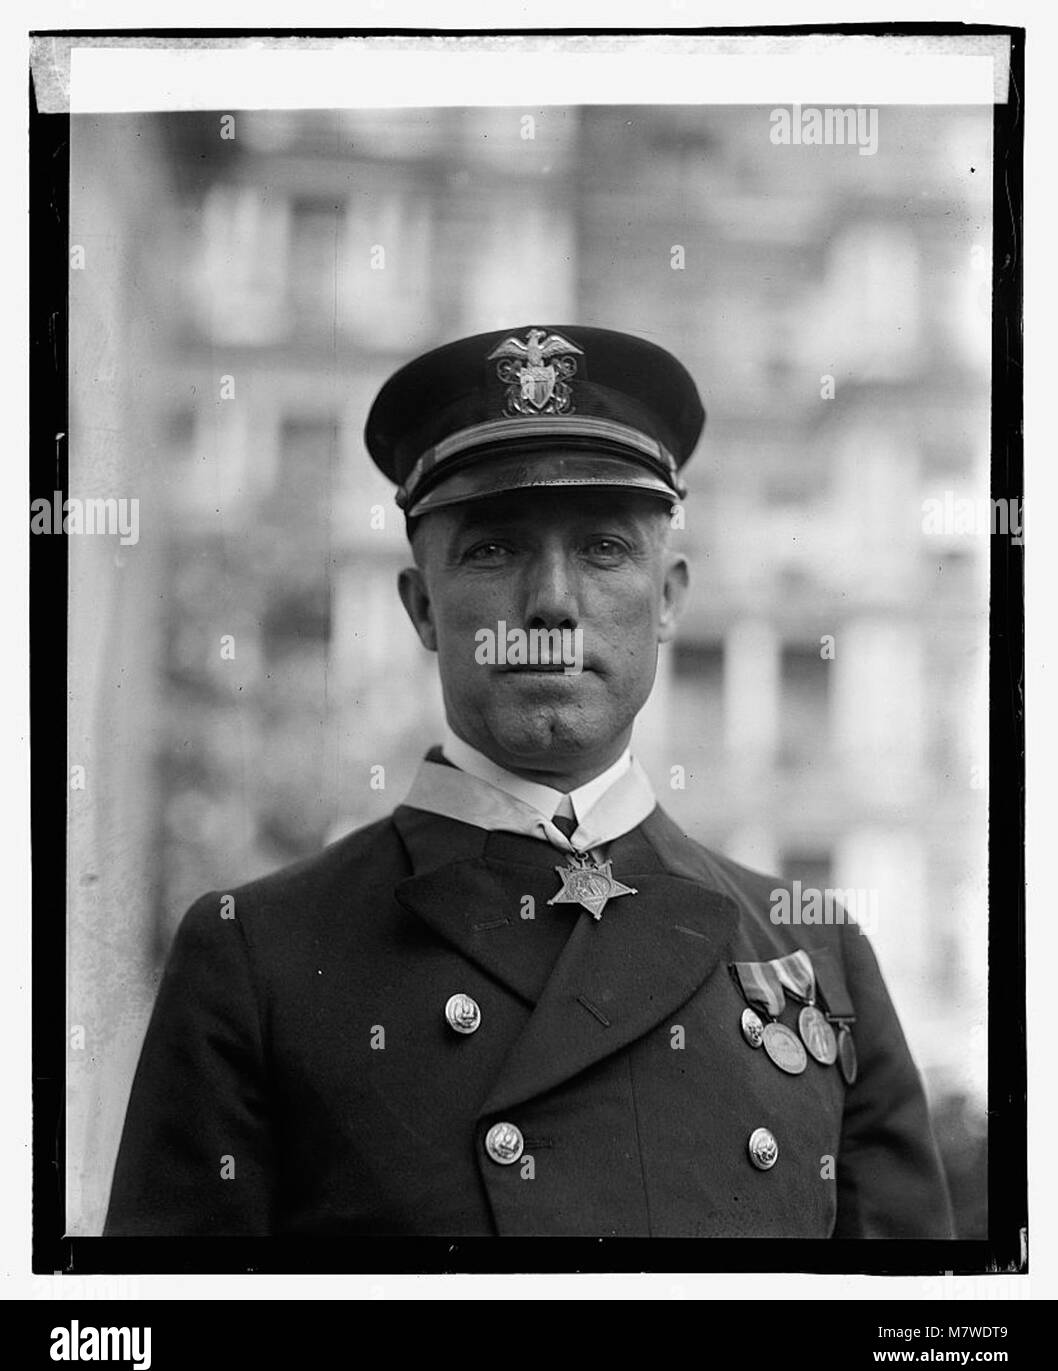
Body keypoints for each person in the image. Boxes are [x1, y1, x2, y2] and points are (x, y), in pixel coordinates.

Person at [104, 324, 954, 1238]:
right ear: (423, 608)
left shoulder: (816, 954)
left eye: (603, 549)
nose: (551, 603)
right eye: (494, 550)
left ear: (669, 599)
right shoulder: (258, 956)